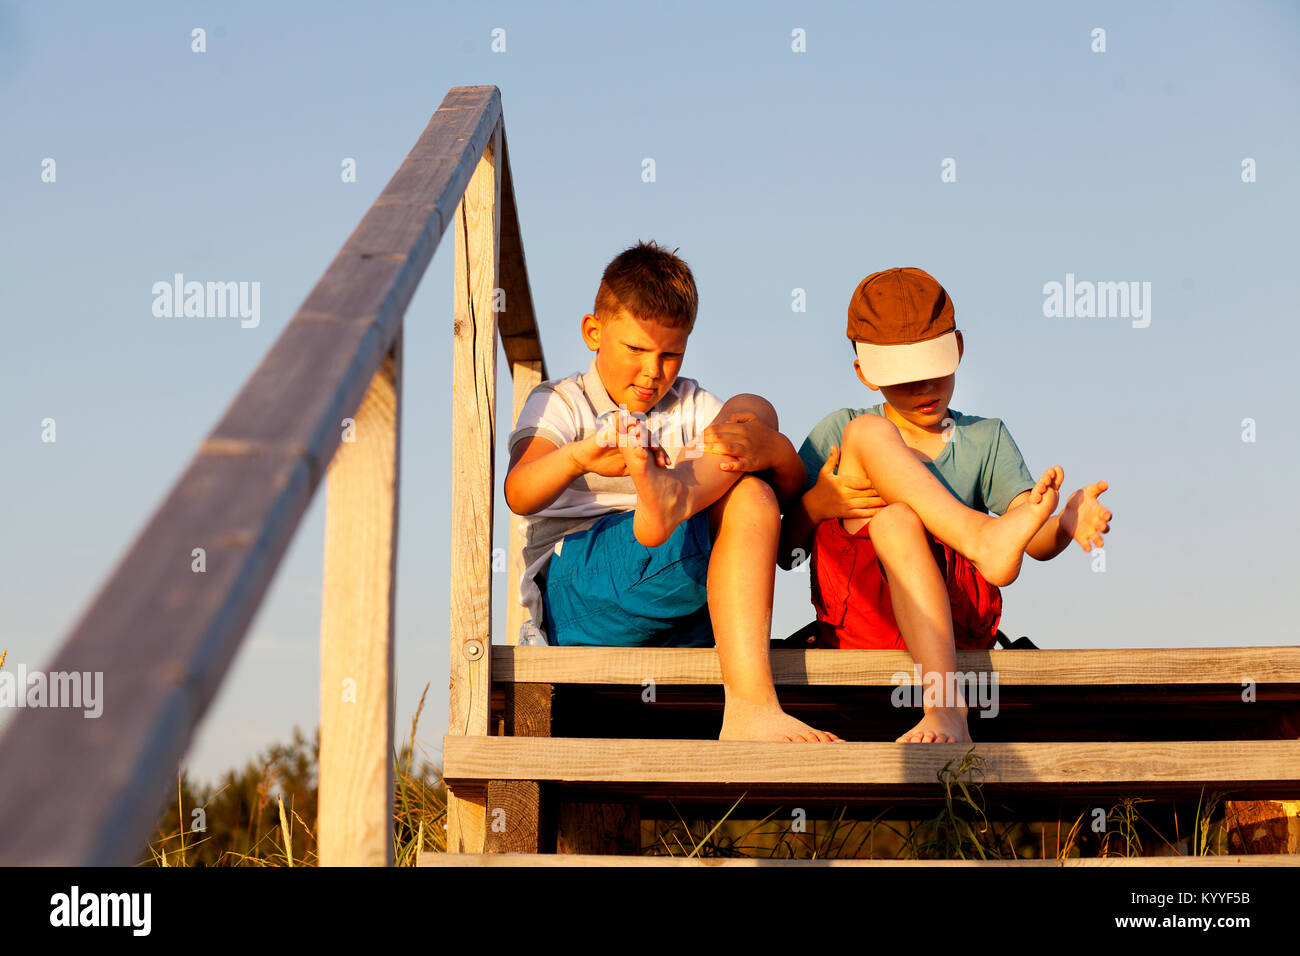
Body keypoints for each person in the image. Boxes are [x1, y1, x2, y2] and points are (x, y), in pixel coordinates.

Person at [505, 240, 840, 742]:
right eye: (636, 350)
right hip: (583, 591)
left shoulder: (692, 404)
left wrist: (779, 454)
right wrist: (579, 456)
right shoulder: (562, 401)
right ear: (593, 332)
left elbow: (779, 513)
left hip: (687, 611)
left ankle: (675, 496)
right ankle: (752, 700)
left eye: (670, 354)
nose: (652, 371)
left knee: (754, 424)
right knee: (744, 485)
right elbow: (519, 492)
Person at [780, 267, 1112, 743]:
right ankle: (978, 535)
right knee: (868, 436)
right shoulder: (843, 430)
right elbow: (785, 553)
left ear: (957, 348)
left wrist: (1063, 523)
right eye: (904, 379)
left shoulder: (985, 438)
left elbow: (1031, 542)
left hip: (950, 624)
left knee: (897, 520)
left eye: (935, 372)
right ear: (865, 374)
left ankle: (945, 709)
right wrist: (816, 505)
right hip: (863, 616)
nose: (924, 390)